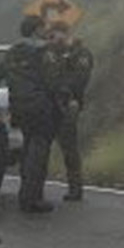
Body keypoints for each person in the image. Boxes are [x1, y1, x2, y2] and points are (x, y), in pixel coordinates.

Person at [4, 14, 56, 213]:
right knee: (39, 152)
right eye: (43, 28)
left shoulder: (11, 52)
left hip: (18, 106)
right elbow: (53, 80)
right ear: (36, 30)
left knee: (27, 150)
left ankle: (25, 194)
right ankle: (33, 198)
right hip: (39, 106)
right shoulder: (43, 51)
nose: (46, 31)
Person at [45, 21, 93, 202]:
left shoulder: (81, 54)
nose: (51, 40)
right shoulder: (53, 54)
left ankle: (75, 187)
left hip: (68, 105)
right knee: (43, 147)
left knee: (69, 148)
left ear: (64, 34)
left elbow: (80, 79)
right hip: (51, 105)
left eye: (54, 36)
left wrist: (63, 89)